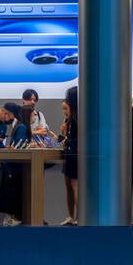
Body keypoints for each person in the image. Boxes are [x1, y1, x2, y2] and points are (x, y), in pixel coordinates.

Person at [0, 102, 32, 226]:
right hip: (13, 166)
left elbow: (18, 146)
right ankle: (11, 218)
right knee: (11, 193)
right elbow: (19, 146)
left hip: (13, 165)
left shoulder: (18, 126)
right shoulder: (20, 127)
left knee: (12, 193)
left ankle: (11, 218)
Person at [60, 86, 78, 225]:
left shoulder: (76, 120)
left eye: (66, 108)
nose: (64, 112)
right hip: (71, 155)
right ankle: (73, 216)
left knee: (75, 187)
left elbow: (72, 139)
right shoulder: (71, 120)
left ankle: (79, 216)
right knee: (70, 187)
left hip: (74, 156)